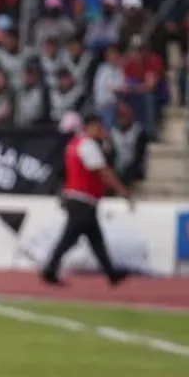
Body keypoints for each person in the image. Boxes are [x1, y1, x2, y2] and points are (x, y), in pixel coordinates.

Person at [41, 112, 133, 286]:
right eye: (99, 127)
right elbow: (102, 171)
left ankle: (111, 273)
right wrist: (122, 190)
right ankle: (49, 268)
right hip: (83, 198)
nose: (101, 131)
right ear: (90, 127)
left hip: (78, 197)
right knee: (69, 237)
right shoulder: (88, 145)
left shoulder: (75, 144)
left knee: (95, 239)